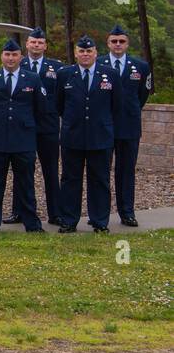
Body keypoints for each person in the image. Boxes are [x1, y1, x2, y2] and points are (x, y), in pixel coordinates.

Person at [0, 38, 47, 232]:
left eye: (14, 55)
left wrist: (35, 134)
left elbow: (41, 110)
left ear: (20, 57)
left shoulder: (32, 79)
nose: (11, 58)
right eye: (7, 54)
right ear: (2, 56)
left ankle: (31, 224)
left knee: (26, 184)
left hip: (24, 140)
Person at [56, 36, 122, 233]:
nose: (85, 54)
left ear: (96, 53)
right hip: (72, 136)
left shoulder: (110, 74)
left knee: (100, 180)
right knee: (70, 180)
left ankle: (100, 221)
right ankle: (69, 220)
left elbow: (117, 105)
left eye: (89, 51)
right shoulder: (65, 75)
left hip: (100, 137)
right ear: (76, 53)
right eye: (81, 51)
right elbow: (59, 105)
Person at [105, 24, 152, 227]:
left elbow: (142, 95)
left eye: (121, 41)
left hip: (129, 127)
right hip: (104, 126)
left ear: (127, 43)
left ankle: (127, 212)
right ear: (108, 43)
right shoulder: (99, 64)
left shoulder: (140, 67)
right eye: (114, 41)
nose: (117, 44)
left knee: (126, 171)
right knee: (101, 172)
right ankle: (101, 213)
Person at [18, 27, 62, 226]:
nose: (36, 45)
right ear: (27, 44)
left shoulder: (57, 68)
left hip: (48, 126)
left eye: (40, 42)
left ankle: (56, 213)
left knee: (50, 170)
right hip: (24, 125)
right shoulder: (17, 63)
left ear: (45, 46)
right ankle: (19, 212)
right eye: (33, 42)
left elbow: (62, 97)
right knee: (22, 170)